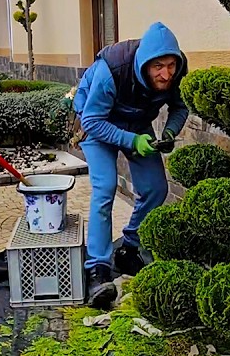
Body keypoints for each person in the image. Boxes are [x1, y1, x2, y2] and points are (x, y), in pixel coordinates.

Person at [73, 21, 189, 308]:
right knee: (105, 188)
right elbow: (91, 121)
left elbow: (180, 106)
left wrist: (171, 132)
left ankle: (129, 249)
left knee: (156, 188)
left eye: (171, 65)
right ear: (144, 63)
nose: (166, 74)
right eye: (159, 66)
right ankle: (97, 269)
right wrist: (131, 141)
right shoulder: (110, 71)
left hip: (136, 122)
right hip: (97, 122)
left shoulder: (174, 75)